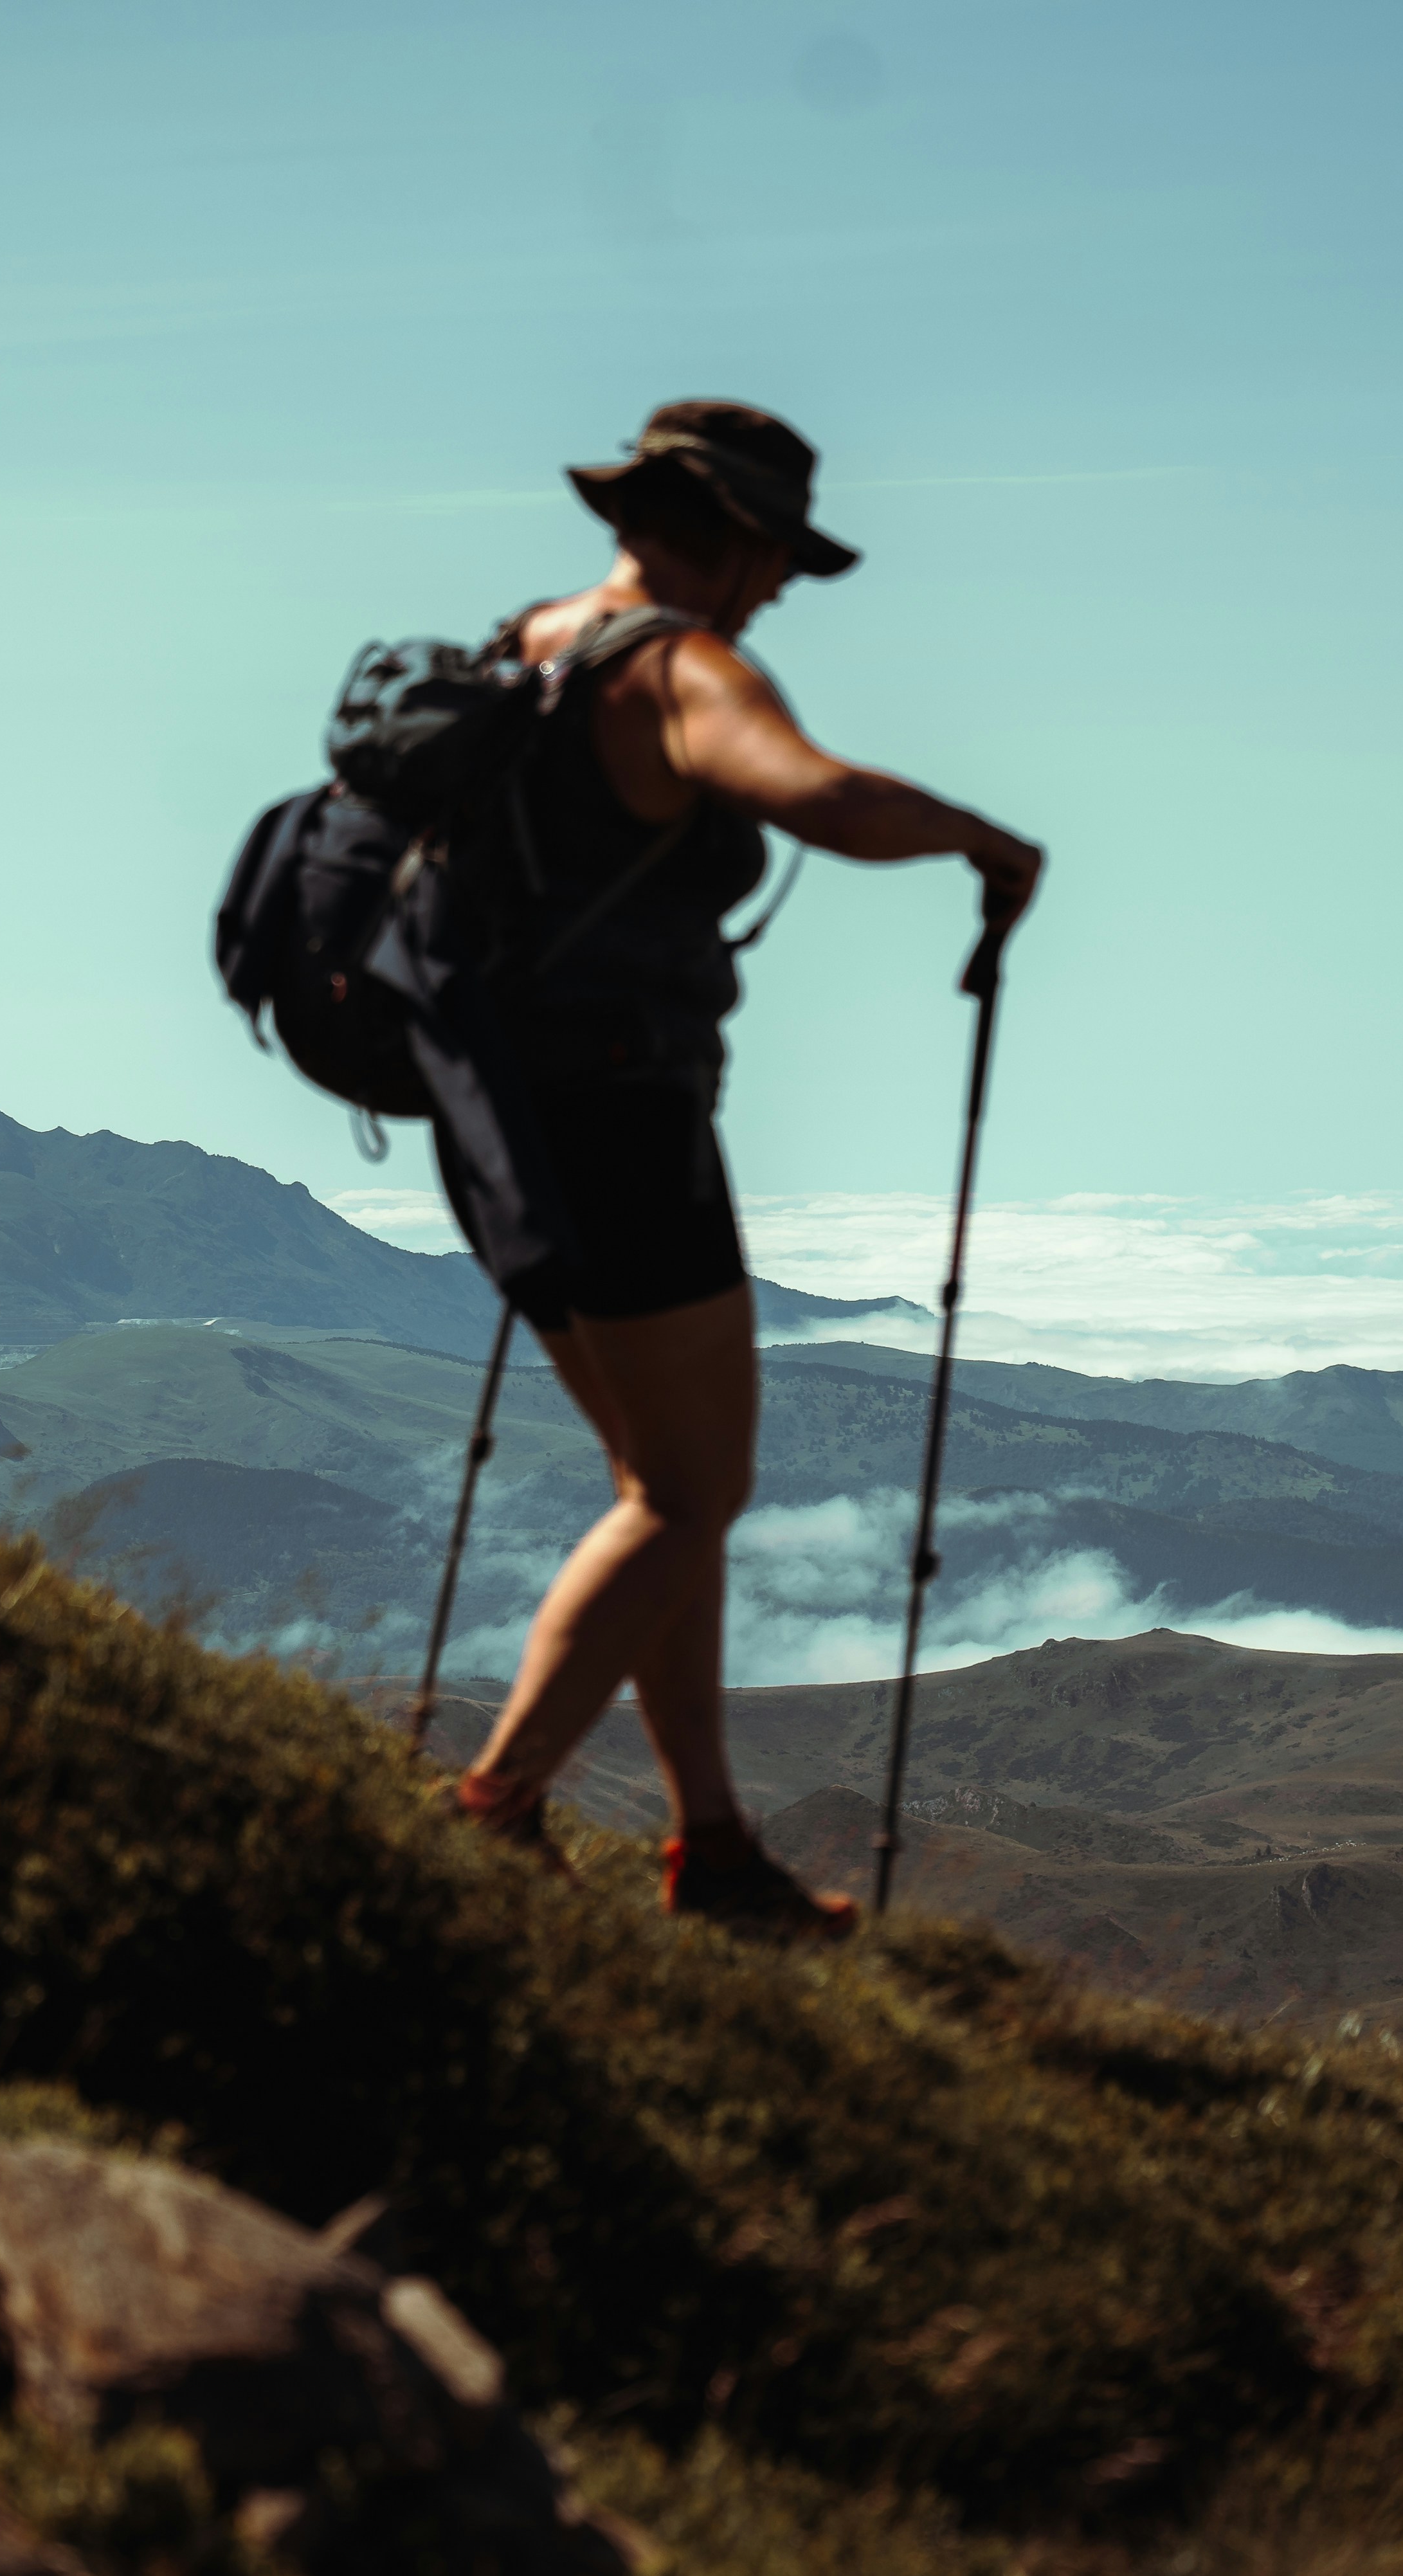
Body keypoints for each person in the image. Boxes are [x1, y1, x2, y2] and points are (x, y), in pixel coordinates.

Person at [433, 398, 1041, 1941]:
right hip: (626, 1119)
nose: (777, 592)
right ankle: (492, 1810)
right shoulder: (681, 665)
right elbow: (812, 796)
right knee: (696, 1489)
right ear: (740, 534)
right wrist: (984, 841)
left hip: (490, 1115)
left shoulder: (528, 645)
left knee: (664, 1491)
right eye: (775, 559)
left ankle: (711, 1846)